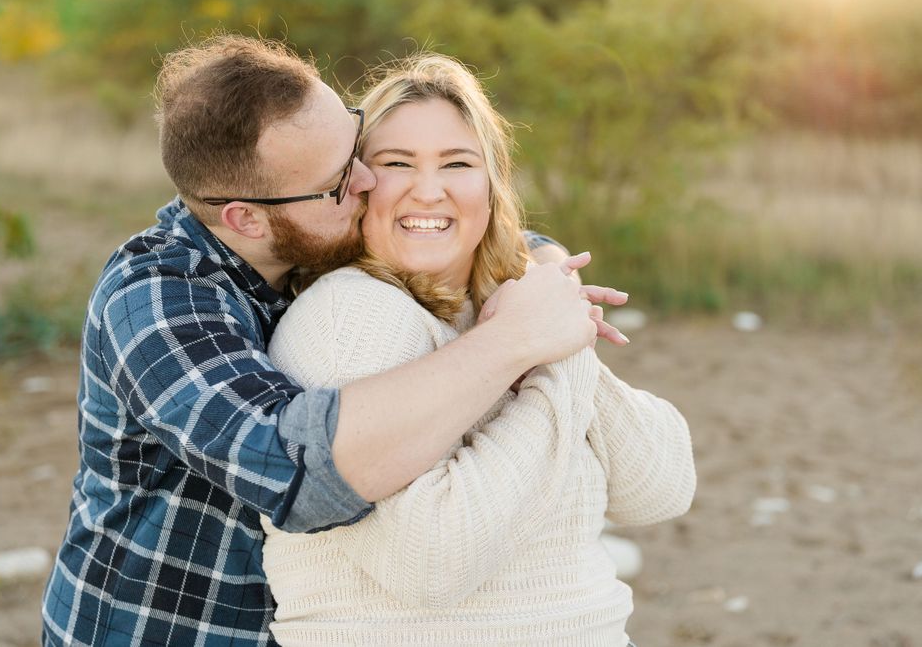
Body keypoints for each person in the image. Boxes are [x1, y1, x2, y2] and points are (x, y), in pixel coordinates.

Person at [41, 35, 629, 646]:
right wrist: (516, 339)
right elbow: (302, 471)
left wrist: (540, 265)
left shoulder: (311, 218)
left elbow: (456, 230)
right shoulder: (153, 302)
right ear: (246, 218)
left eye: (355, 146)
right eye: (340, 180)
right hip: (170, 628)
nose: (369, 179)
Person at [260, 54, 696, 646]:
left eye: (457, 163)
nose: (429, 190)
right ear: (357, 182)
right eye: (396, 163)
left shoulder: (513, 309)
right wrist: (539, 344)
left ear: (492, 185)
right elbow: (430, 562)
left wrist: (554, 333)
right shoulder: (350, 315)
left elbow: (661, 489)